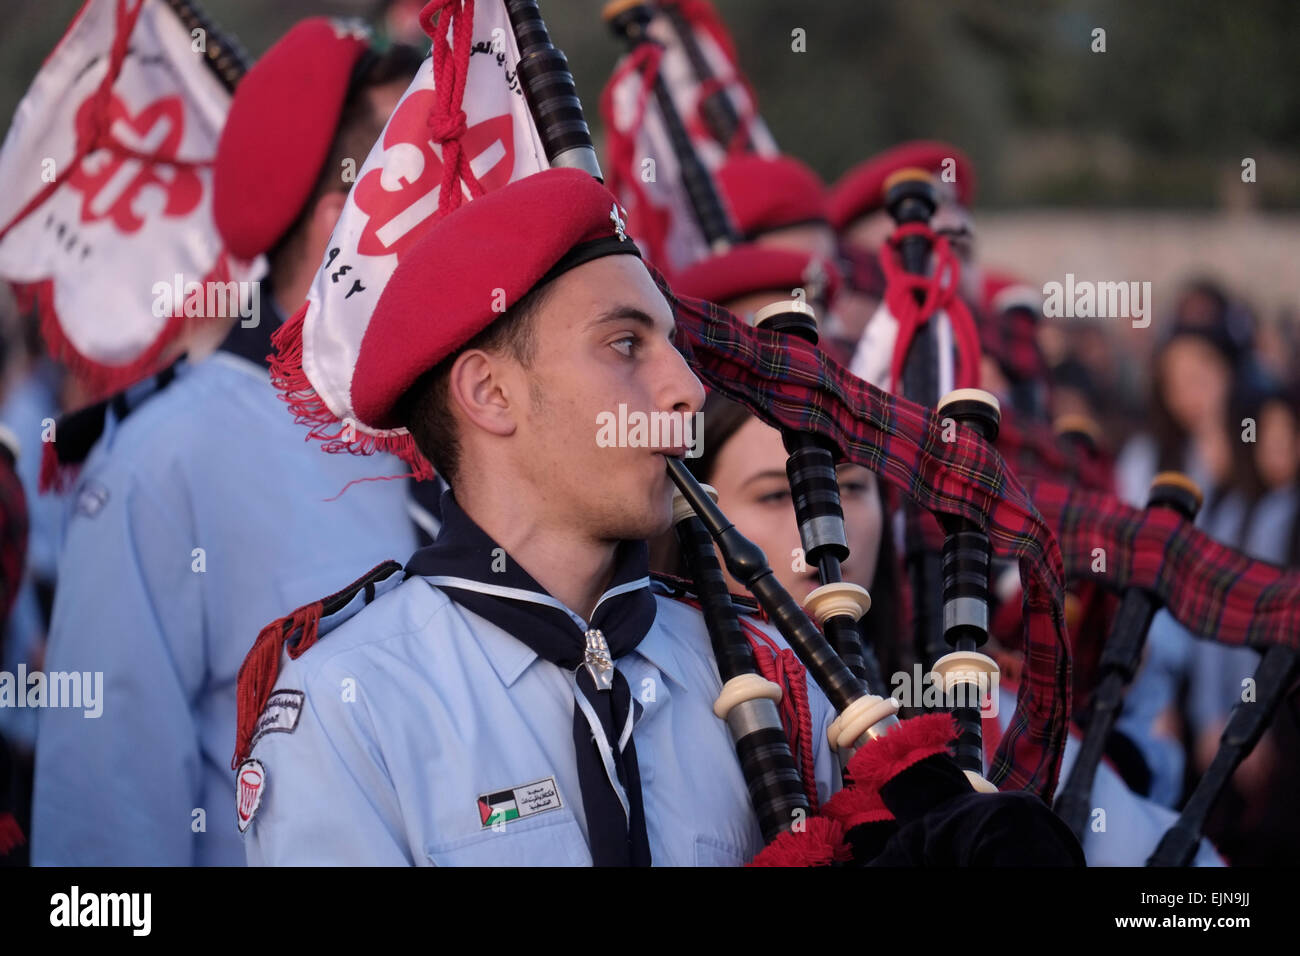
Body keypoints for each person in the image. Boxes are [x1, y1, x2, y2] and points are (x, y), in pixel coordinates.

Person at [236, 168, 845, 866]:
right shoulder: (353, 703)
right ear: (490, 393)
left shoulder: (766, 672)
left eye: (672, 345)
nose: (687, 389)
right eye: (625, 344)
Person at [31, 19, 425, 866]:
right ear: (339, 227)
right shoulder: (166, 458)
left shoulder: (491, 420)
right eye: (429, 183)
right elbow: (107, 822)